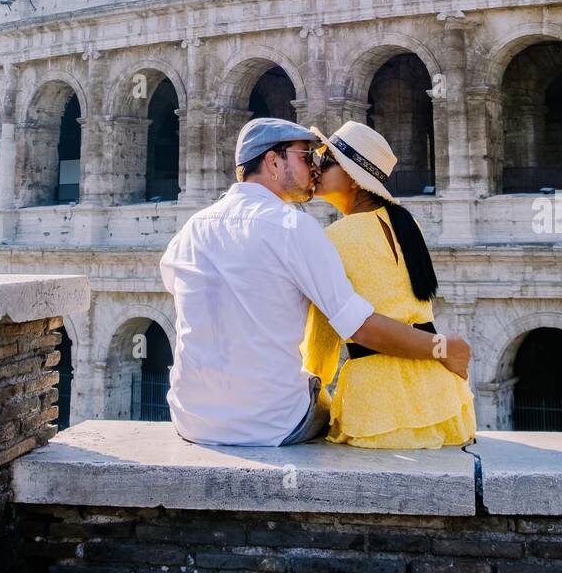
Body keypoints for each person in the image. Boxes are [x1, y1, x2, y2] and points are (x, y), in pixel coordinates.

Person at [159, 117, 472, 447]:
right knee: (322, 398)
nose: (314, 167)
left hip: (190, 418)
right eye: (306, 156)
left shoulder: (189, 231)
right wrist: (442, 348)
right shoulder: (296, 228)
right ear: (274, 161)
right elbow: (358, 327)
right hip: (272, 424)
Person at [302, 120, 477, 449]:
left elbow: (322, 336)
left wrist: (315, 382)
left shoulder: (335, 238)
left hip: (379, 402)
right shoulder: (408, 223)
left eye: (327, 160)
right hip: (440, 396)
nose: (317, 165)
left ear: (354, 179)